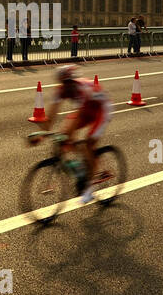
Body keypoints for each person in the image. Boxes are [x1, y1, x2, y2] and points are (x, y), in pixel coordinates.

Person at [30, 65, 112, 205]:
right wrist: (42, 135)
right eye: (64, 83)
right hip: (85, 111)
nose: (67, 86)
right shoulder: (60, 91)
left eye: (69, 82)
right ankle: (83, 165)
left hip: (101, 110)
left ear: (74, 81)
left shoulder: (82, 90)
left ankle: (89, 187)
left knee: (87, 143)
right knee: (64, 136)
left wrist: (63, 136)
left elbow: (80, 114)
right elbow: (51, 116)